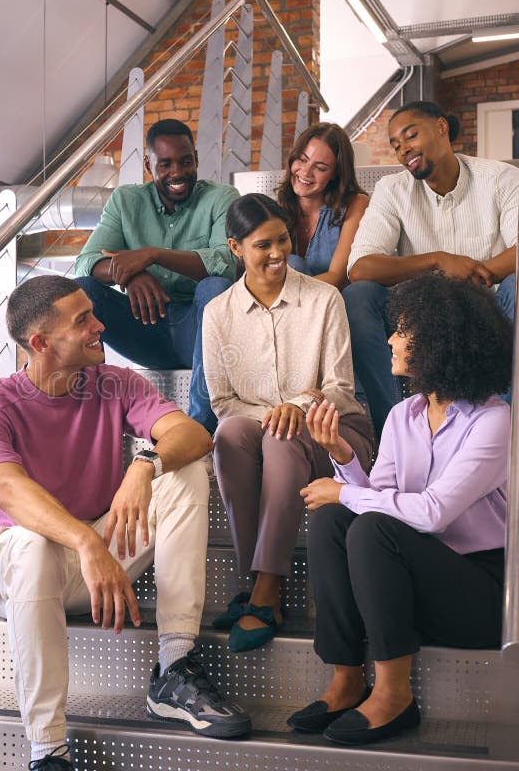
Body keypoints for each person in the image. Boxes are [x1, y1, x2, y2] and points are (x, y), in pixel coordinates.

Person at [0, 276, 251, 771]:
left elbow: (193, 436)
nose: (100, 326)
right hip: (10, 563)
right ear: (41, 343)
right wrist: (84, 542)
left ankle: (173, 669)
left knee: (185, 475)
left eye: (94, 312)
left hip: (88, 553)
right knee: (32, 544)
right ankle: (47, 749)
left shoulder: (115, 382)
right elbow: (8, 489)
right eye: (83, 321)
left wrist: (145, 465)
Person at [288, 273, 513, 746]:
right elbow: (382, 500)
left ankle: (394, 694)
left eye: (404, 331)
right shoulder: (401, 416)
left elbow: (432, 513)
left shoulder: (494, 421)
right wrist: (345, 459)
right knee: (332, 519)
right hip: (414, 580)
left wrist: (344, 491)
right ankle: (347, 678)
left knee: (365, 524)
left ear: (439, 342)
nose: (389, 339)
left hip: (481, 594)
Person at [202, 193, 374, 653]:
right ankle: (258, 578)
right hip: (262, 430)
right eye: (263, 245)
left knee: (281, 438)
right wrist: (274, 415)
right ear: (236, 248)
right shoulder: (217, 314)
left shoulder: (324, 299)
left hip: (333, 430)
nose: (278, 253)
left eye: (283, 240)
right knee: (230, 433)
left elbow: (339, 387)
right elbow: (223, 401)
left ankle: (265, 590)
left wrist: (297, 406)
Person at [343, 100, 519, 436]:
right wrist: (438, 260)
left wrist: (472, 277)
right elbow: (360, 268)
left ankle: (497, 431)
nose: (403, 151)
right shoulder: (392, 189)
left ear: (441, 128)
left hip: (489, 311)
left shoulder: (502, 178)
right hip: (419, 316)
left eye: (410, 136)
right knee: (359, 296)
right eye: (396, 146)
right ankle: (393, 430)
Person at [74, 118, 240, 434]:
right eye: (165, 164)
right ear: (149, 164)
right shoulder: (126, 201)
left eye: (185, 161)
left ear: (196, 159)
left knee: (216, 287)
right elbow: (85, 263)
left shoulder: (221, 198)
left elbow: (225, 263)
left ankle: (200, 429)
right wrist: (130, 275)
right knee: (83, 291)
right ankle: (91, 417)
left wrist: (153, 255)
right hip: (145, 328)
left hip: (199, 330)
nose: (177, 173)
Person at [275, 122, 369, 290]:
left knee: (293, 265)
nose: (305, 172)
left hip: (333, 302)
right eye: (302, 160)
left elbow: (338, 277)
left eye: (320, 168)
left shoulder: (355, 204)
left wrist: (285, 292)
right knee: (292, 263)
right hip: (285, 308)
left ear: (336, 174)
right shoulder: (276, 208)